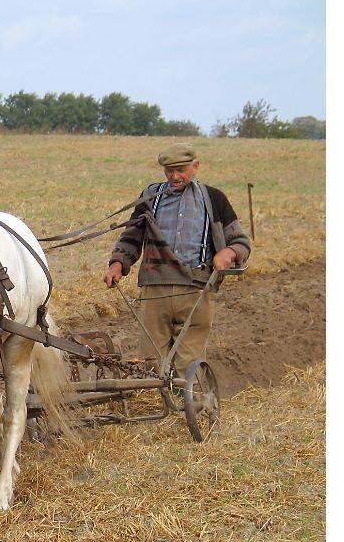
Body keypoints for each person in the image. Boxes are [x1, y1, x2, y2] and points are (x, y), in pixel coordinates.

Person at [102, 143, 251, 376]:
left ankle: (188, 406)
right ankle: (159, 406)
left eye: (180, 170)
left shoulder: (214, 199)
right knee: (151, 362)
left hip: (196, 290)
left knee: (189, 363)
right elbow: (131, 236)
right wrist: (117, 264)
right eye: (169, 171)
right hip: (155, 289)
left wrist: (227, 253)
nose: (174, 176)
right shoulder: (150, 197)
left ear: (196, 167)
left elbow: (240, 242)